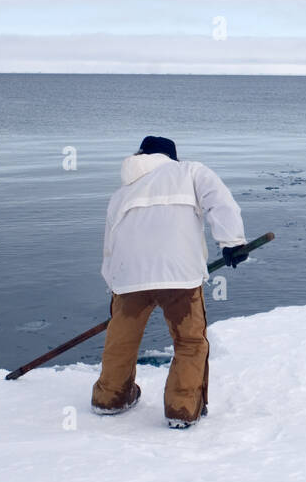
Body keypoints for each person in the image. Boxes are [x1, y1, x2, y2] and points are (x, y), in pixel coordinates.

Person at [93, 135, 248, 428]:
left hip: (128, 277)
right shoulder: (190, 171)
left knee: (121, 340)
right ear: (171, 157)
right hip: (179, 275)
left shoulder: (122, 192)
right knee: (190, 341)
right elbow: (219, 201)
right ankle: (182, 407)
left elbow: (110, 242)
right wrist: (232, 242)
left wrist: (114, 284)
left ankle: (110, 398)